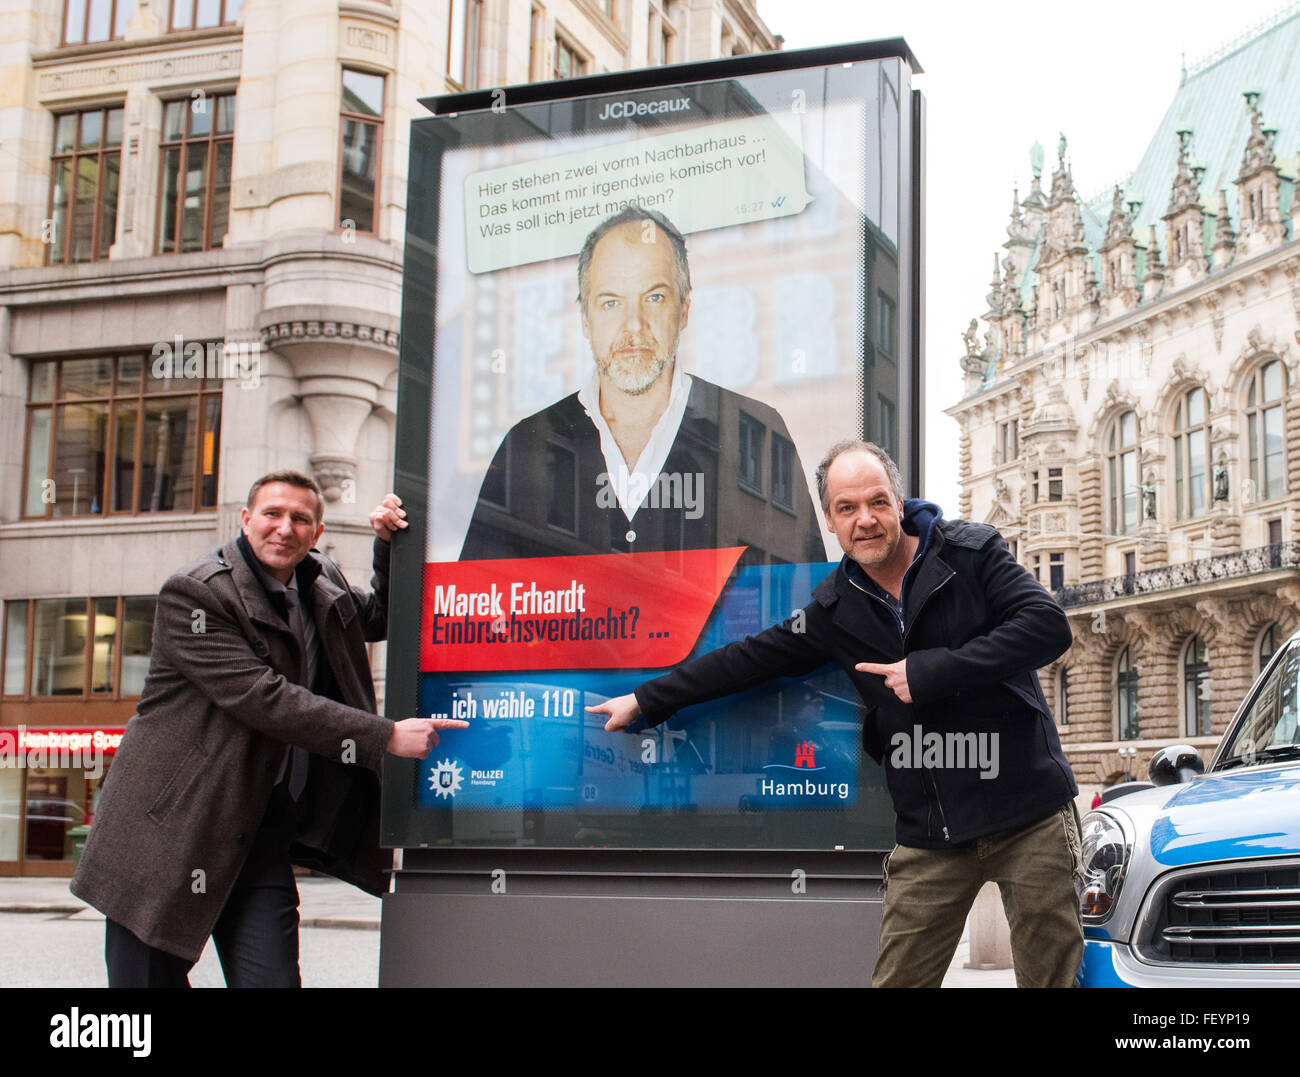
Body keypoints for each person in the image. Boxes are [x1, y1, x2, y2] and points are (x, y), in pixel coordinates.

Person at [588, 440, 1083, 988]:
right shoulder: (833, 609)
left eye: (877, 502)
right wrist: (648, 698)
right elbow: (749, 659)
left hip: (1028, 813)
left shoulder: (970, 554)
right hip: (932, 834)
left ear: (899, 502)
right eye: (847, 508)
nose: (865, 520)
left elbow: (1047, 625)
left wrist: (930, 671)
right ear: (830, 520)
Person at [71, 470, 468, 987]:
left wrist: (390, 546)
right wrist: (384, 736)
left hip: (257, 828)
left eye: (300, 519)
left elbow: (376, 618)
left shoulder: (320, 580)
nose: (285, 528)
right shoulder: (195, 593)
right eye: (272, 514)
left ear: (317, 531)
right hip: (168, 831)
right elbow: (262, 697)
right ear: (246, 520)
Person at [459, 205, 822, 566]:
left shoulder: (746, 426)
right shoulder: (528, 432)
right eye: (611, 301)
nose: (634, 325)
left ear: (684, 311)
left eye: (654, 298)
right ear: (585, 318)